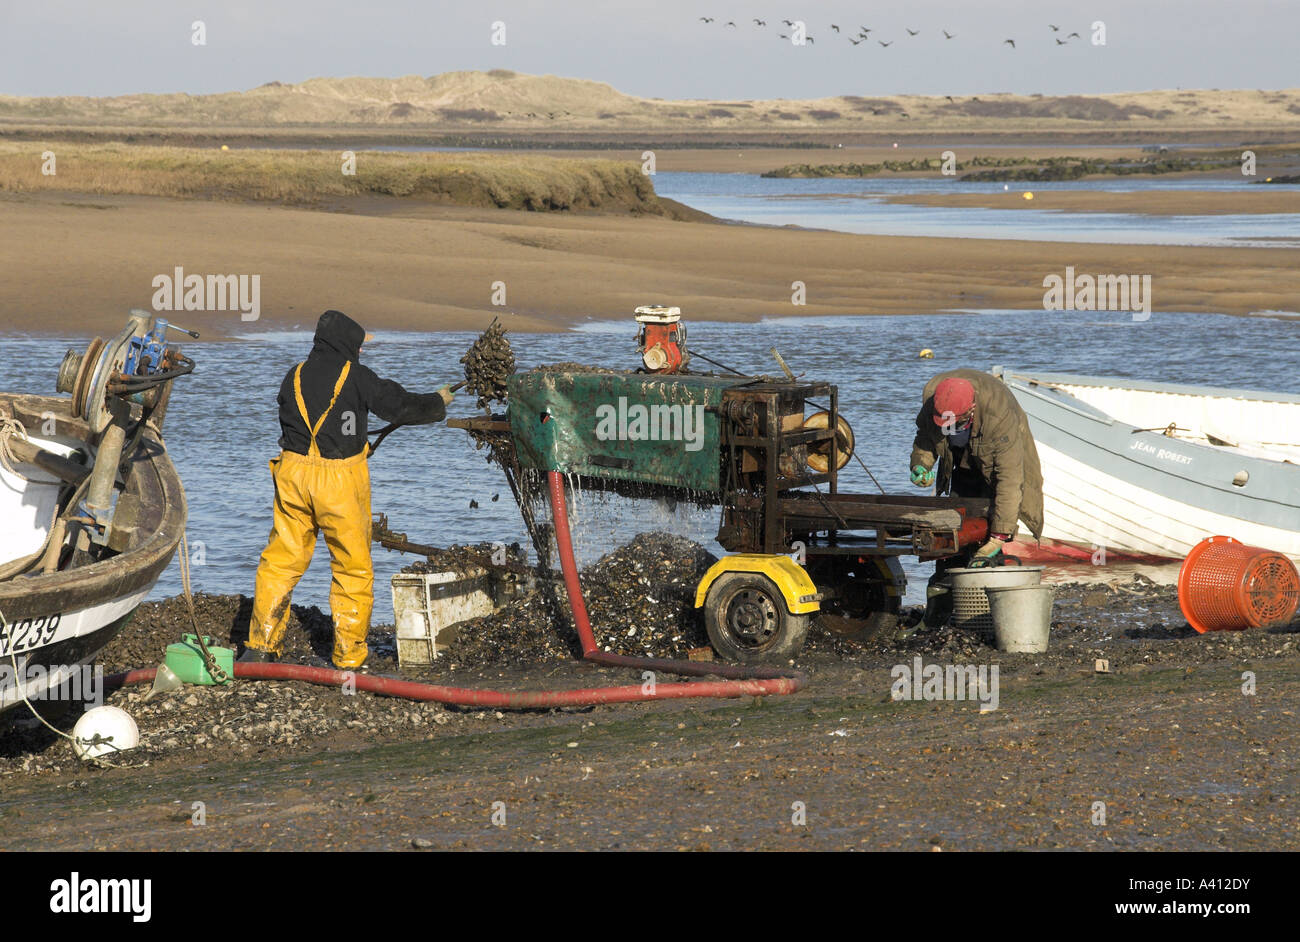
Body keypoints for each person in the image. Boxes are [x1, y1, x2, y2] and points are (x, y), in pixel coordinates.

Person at [241, 310, 453, 670]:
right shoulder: (355, 376)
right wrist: (438, 401)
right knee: (352, 567)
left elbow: (292, 422)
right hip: (339, 482)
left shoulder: (293, 375)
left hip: (291, 475)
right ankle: (349, 656)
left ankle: (261, 648)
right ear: (348, 344)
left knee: (280, 562)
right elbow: (398, 406)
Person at [910, 369, 1044, 570]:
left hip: (992, 471)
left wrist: (999, 537)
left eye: (955, 423)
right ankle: (944, 584)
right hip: (960, 465)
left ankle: (989, 573)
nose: (948, 427)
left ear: (972, 409)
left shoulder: (999, 416)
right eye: (944, 423)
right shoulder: (934, 400)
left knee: (987, 530)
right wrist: (921, 464)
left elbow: (1010, 479)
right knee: (952, 532)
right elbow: (925, 436)